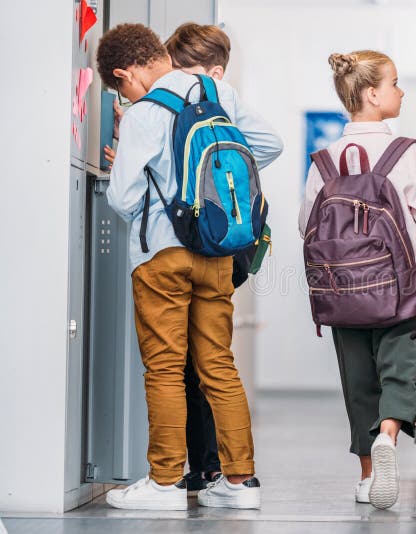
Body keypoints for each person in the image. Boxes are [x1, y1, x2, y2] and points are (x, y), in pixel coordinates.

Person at [96, 23, 283, 510]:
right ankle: (240, 483)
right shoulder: (217, 89)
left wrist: (147, 175)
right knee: (218, 364)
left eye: (122, 87)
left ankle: (163, 484)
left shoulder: (144, 112)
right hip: (216, 252)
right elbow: (269, 144)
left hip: (162, 255)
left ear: (125, 73)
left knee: (163, 368)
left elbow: (123, 196)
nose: (127, 94)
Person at [298, 50, 416, 509]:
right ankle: (388, 436)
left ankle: (366, 477)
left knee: (359, 381)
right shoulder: (406, 153)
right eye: (395, 83)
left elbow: (306, 225)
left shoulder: (324, 161)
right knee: (399, 371)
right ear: (372, 94)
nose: (401, 91)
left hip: (341, 295)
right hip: (397, 291)